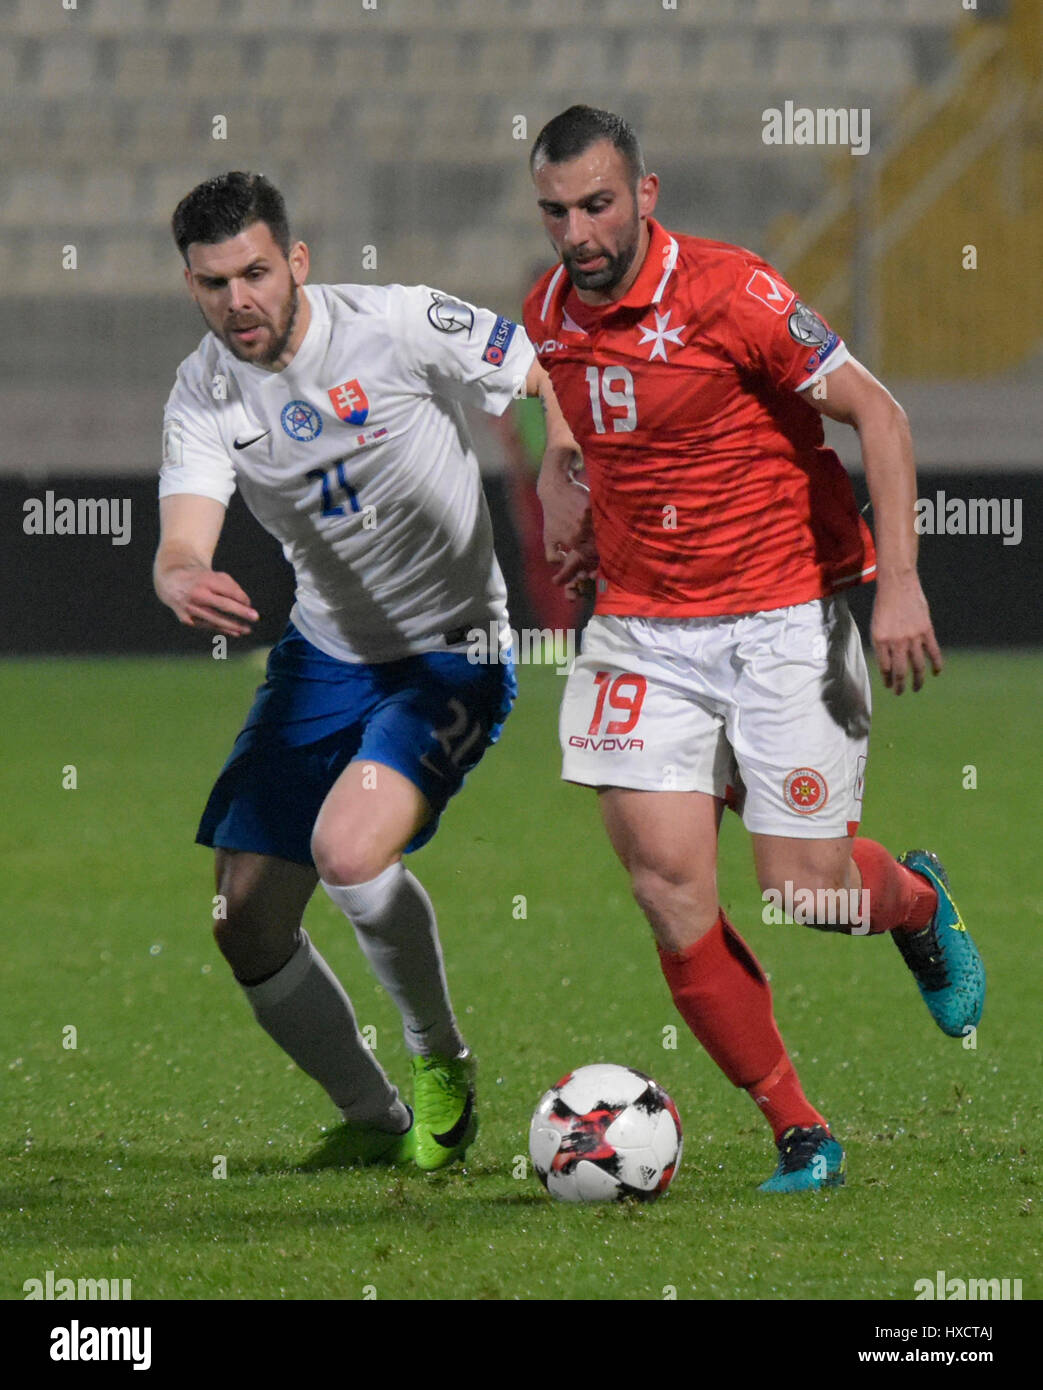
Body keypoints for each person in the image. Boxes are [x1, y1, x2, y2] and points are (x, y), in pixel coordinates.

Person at [523, 107, 985, 1192]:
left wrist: (901, 582)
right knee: (668, 886)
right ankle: (799, 1131)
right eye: (554, 211)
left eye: (596, 204)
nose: (576, 232)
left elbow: (877, 414)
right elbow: (565, 392)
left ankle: (914, 901)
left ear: (644, 194)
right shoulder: (545, 309)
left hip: (786, 617)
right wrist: (560, 476)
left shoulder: (733, 293)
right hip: (640, 633)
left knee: (801, 888)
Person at [154, 171, 566, 1171]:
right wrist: (179, 571)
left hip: (451, 654)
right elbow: (184, 533)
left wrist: (560, 464)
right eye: (213, 283)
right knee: (243, 917)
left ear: (296, 262)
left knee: (348, 850)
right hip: (323, 655)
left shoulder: (397, 323)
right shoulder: (204, 389)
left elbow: (542, 371)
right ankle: (373, 1116)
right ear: (192, 285)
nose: (236, 300)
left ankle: (440, 1061)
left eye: (254, 272)